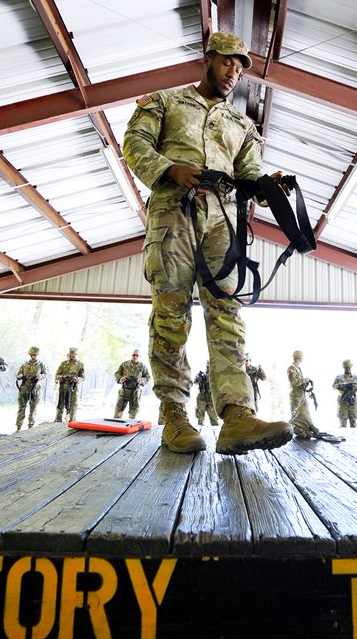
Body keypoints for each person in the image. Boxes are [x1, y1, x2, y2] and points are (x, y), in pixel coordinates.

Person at [123, 32, 292, 456]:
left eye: (239, 68)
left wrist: (265, 187)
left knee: (227, 313)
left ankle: (236, 415)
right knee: (171, 314)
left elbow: (248, 173)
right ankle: (176, 415)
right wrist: (168, 168)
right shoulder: (163, 102)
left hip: (222, 223)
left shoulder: (242, 125)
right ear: (208, 59)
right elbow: (134, 144)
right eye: (227, 63)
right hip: (173, 214)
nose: (233, 72)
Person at [287, 350, 323, 439]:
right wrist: (304, 380)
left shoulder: (297, 368)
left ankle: (309, 426)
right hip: (295, 395)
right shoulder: (291, 368)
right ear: (299, 358)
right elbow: (293, 381)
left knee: (306, 412)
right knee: (295, 415)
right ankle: (296, 431)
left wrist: (305, 382)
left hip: (301, 394)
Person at [113, 349, 151, 419]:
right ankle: (116, 425)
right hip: (124, 390)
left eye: (137, 355)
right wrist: (121, 378)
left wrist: (141, 380)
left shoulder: (143, 367)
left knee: (134, 411)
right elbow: (117, 374)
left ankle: (131, 426)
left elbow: (148, 377)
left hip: (136, 391)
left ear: (140, 356)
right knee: (118, 410)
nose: (135, 357)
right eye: (133, 355)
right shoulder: (124, 365)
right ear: (131, 355)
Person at [16, 346, 46, 430]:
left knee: (33, 409)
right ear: (30, 355)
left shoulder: (41, 364)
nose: (34, 356)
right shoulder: (24, 364)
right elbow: (18, 375)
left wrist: (41, 376)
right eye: (32, 354)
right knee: (21, 408)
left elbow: (45, 374)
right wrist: (19, 376)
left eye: (35, 354)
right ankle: (18, 427)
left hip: (35, 389)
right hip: (24, 388)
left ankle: (30, 428)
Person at [55, 347, 85, 423]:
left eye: (73, 356)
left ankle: (72, 422)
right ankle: (58, 421)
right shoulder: (63, 364)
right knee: (60, 405)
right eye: (70, 356)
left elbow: (83, 377)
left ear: (76, 355)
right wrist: (60, 377)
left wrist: (77, 379)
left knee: (73, 405)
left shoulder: (80, 365)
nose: (71, 357)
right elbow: (57, 374)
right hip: (63, 387)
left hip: (73, 388)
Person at [333, 360, 357, 428]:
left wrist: (355, 386)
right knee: (343, 420)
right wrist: (343, 385)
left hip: (352, 399)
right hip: (343, 399)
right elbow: (334, 386)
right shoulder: (339, 377)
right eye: (346, 367)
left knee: (353, 420)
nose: (348, 368)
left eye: (349, 367)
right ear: (343, 367)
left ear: (351, 366)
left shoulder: (356, 377)